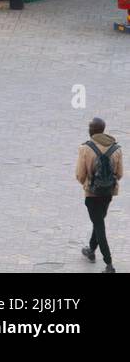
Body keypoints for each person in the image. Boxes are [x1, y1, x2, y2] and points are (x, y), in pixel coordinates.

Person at [77, 116, 122, 272]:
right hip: (108, 193)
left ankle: (109, 264)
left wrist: (88, 183)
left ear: (92, 131)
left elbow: (80, 175)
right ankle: (91, 251)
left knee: (99, 224)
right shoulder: (116, 148)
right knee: (98, 220)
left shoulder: (85, 148)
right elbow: (120, 174)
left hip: (92, 194)